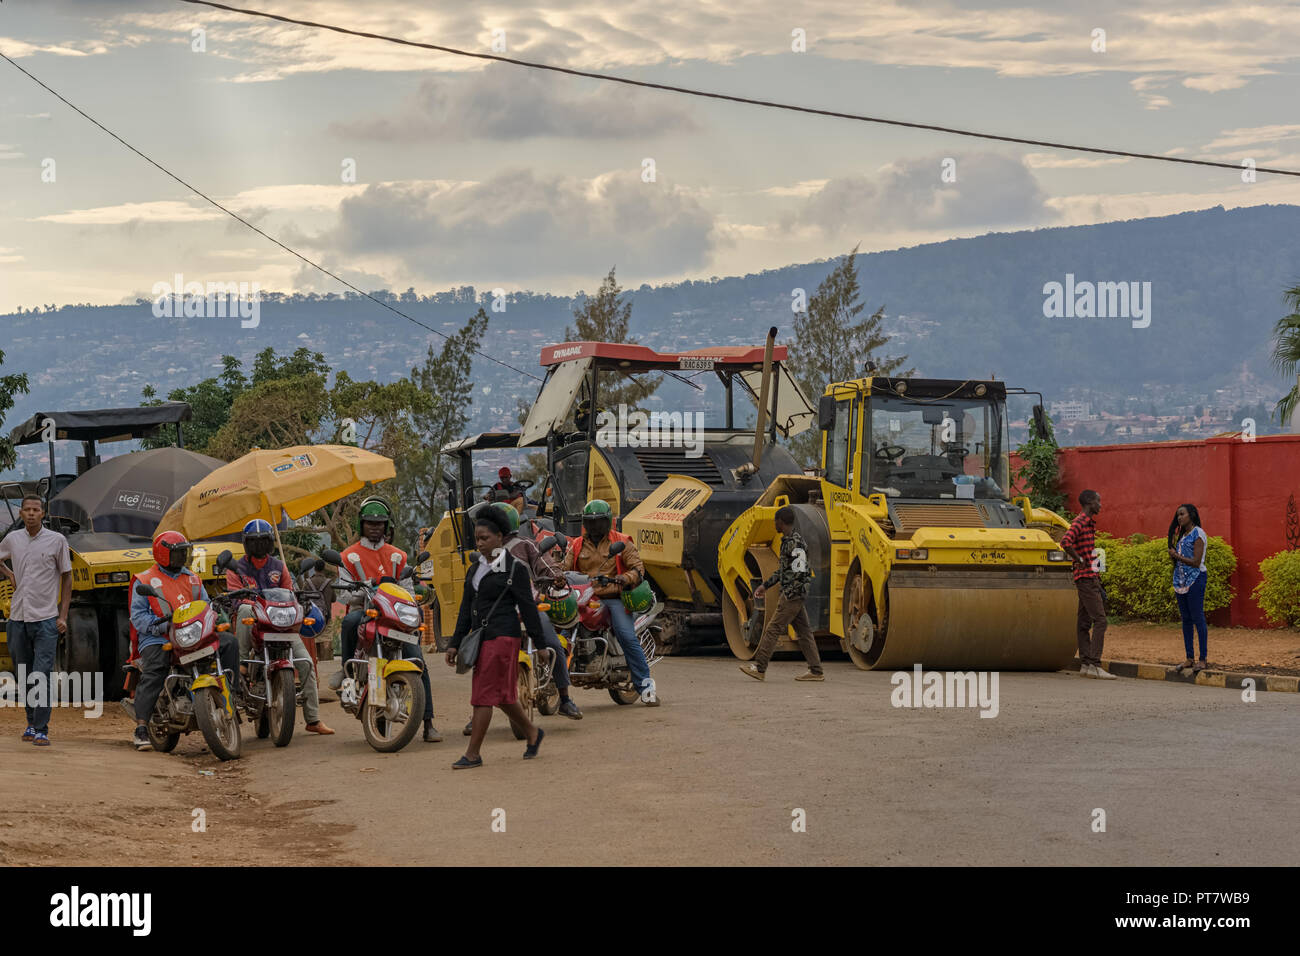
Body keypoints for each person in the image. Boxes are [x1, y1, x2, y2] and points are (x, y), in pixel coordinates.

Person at [459, 503, 581, 733]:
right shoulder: (486, 553)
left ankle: (565, 698)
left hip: (528, 607)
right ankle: (477, 714)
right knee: (484, 660)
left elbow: (545, 565)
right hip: (498, 616)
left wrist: (556, 576)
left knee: (553, 643)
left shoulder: (526, 545)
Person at [329, 498, 442, 742]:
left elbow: (409, 591)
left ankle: (428, 723)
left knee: (418, 659)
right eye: (370, 523)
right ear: (362, 524)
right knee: (349, 622)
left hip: (394, 618)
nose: (375, 527)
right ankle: (348, 672)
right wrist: (368, 588)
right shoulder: (348, 557)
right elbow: (345, 595)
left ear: (387, 526)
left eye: (380, 524)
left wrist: (404, 597)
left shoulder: (399, 556)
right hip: (366, 612)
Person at [445, 509, 546, 768]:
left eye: (485, 538)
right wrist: (454, 643)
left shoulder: (514, 568)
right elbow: (466, 609)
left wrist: (541, 643)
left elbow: (528, 608)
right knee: (502, 696)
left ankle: (472, 754)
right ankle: (533, 733)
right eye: (477, 538)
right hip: (483, 639)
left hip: (503, 638)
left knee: (483, 695)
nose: (479, 543)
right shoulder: (475, 569)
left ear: (500, 537)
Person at [128, 531, 241, 750]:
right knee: (156, 668)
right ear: (163, 554)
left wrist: (214, 616)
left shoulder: (192, 578)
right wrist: (165, 625)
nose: (183, 557)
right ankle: (141, 727)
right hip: (157, 636)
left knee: (229, 643)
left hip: (192, 633)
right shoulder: (144, 581)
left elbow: (205, 604)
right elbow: (139, 618)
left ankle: (231, 693)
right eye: (179, 553)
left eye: (184, 552)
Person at [225, 519, 333, 735]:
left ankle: (313, 719)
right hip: (256, 626)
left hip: (281, 626)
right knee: (245, 609)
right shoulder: (236, 568)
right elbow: (235, 599)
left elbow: (289, 593)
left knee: (306, 664)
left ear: (271, 542)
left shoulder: (279, 566)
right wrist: (248, 601)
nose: (258, 545)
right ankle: (243, 662)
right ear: (246, 544)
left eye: (263, 541)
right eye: (253, 542)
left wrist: (297, 599)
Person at [562, 499, 660, 705]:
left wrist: (625, 578)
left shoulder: (622, 541)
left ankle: (646, 687)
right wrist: (556, 574)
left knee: (626, 635)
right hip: (586, 597)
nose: (595, 526)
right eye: (591, 522)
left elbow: (638, 568)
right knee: (561, 628)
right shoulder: (577, 544)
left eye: (599, 522)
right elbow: (565, 568)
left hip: (614, 598)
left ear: (608, 521)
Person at [0, 495, 72, 747]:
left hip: (45, 619)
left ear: (43, 514)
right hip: (18, 617)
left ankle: (42, 728)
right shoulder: (13, 540)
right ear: (20, 514)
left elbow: (67, 577)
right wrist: (9, 574)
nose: (31, 513)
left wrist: (62, 616)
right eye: (27, 510)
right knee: (24, 674)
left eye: (36, 510)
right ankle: (31, 722)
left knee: (41, 673)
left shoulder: (56, 541)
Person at [739, 505, 824, 682]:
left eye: (775, 522)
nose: (774, 525)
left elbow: (800, 572)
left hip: (792, 595)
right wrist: (765, 585)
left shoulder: (794, 544)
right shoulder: (792, 541)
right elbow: (784, 570)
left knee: (772, 629)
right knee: (804, 632)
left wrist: (790, 594)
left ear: (781, 522)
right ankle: (816, 671)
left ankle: (760, 668)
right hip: (796, 594)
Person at [1059, 490, 1117, 680]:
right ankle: (1094, 664)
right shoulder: (1081, 521)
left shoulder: (1087, 523)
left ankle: (1085, 664)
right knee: (1100, 620)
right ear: (1090, 502)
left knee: (1083, 622)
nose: (1101, 505)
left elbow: (1086, 550)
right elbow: (1065, 542)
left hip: (1088, 577)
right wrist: (1079, 560)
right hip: (1085, 578)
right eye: (1098, 501)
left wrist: (1095, 574)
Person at [1167, 503, 1210, 673]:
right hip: (1181, 582)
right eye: (1178, 515)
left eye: (1182, 514)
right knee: (1186, 620)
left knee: (1198, 618)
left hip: (1196, 580)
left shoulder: (1198, 533)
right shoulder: (1182, 536)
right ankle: (1189, 658)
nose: (1179, 518)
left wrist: (1176, 555)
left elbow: (1196, 561)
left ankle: (1203, 659)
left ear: (1191, 515)